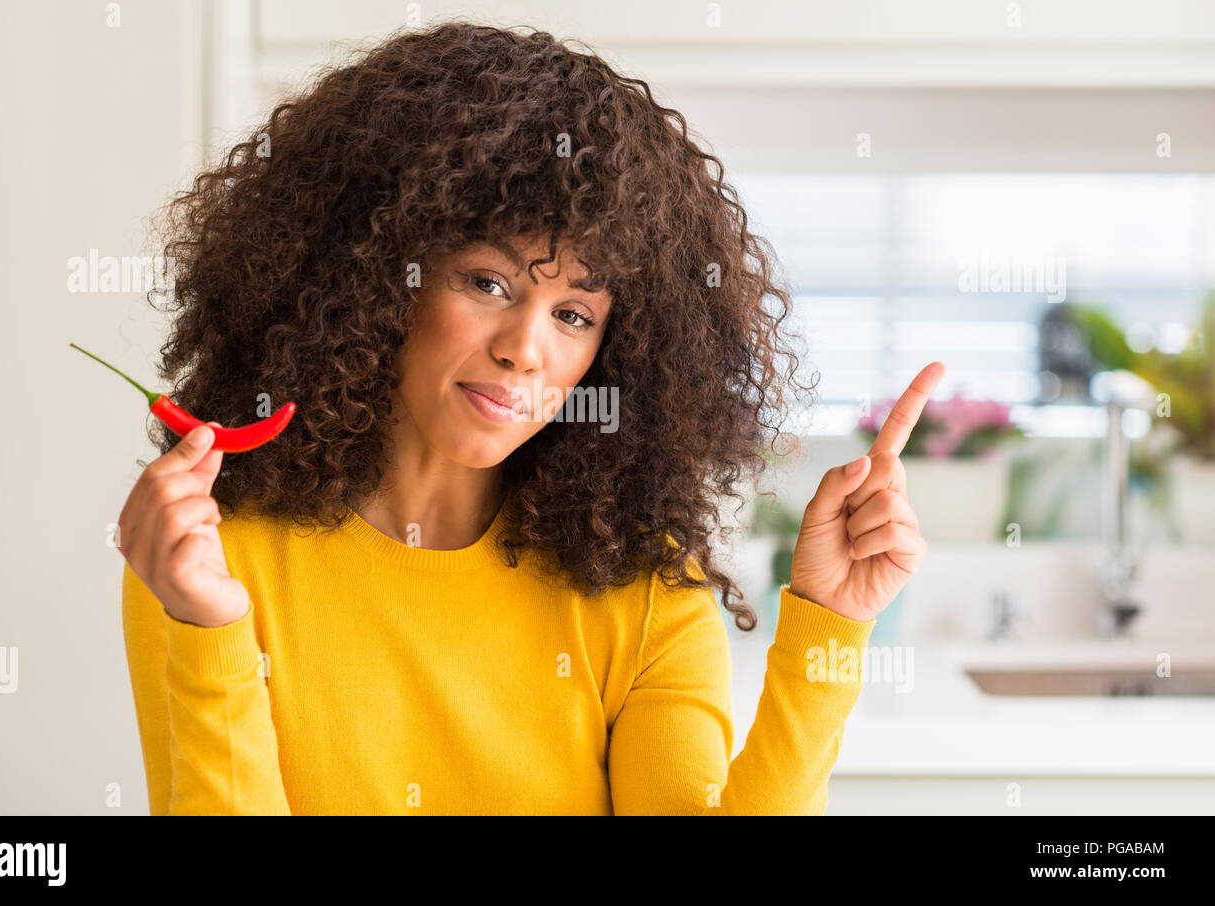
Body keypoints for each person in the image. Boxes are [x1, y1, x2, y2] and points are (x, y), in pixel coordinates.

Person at [117, 20, 942, 815]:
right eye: (487, 283)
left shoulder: (638, 585)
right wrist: (210, 630)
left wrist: (829, 630)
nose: (525, 349)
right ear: (372, 278)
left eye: (574, 316)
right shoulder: (210, 564)